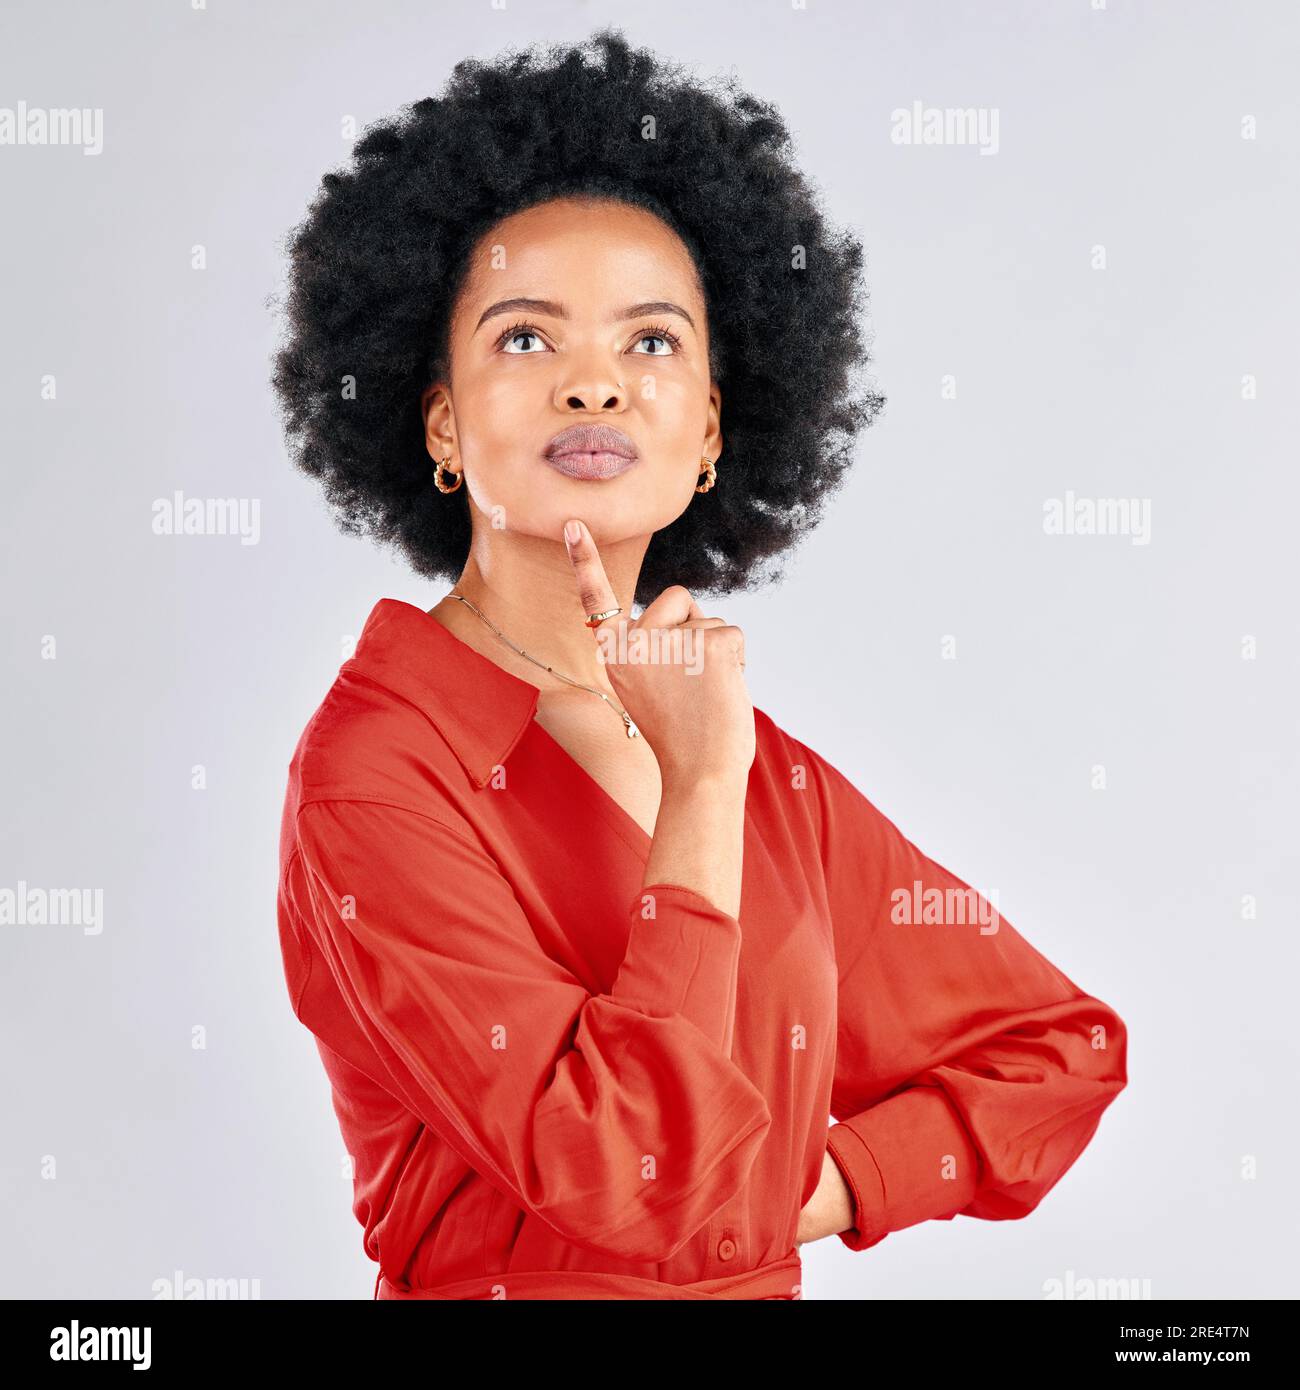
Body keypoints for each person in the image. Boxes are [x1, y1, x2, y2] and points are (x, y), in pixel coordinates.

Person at [270, 28, 1127, 1301]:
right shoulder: (380, 776)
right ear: (441, 418)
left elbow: (1057, 1050)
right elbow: (632, 1173)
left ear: (713, 425)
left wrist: (824, 1189)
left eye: (653, 343)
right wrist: (700, 790)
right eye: (523, 339)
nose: (595, 389)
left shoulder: (747, 757)